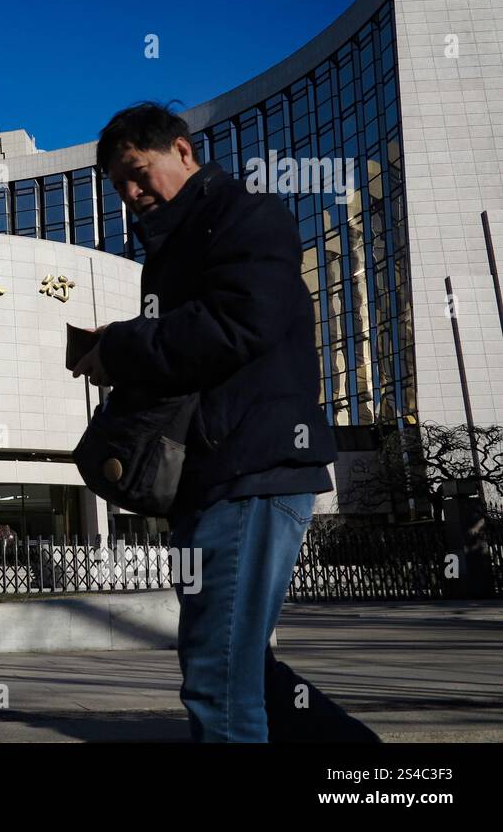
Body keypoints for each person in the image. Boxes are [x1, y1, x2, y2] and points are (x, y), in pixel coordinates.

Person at [73, 102, 378, 743]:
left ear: (183, 152)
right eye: (119, 186)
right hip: (213, 475)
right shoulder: (180, 241)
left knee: (218, 678)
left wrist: (125, 346)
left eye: (137, 172)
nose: (130, 194)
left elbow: (240, 324)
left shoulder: (244, 215)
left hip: (251, 469)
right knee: (245, 669)